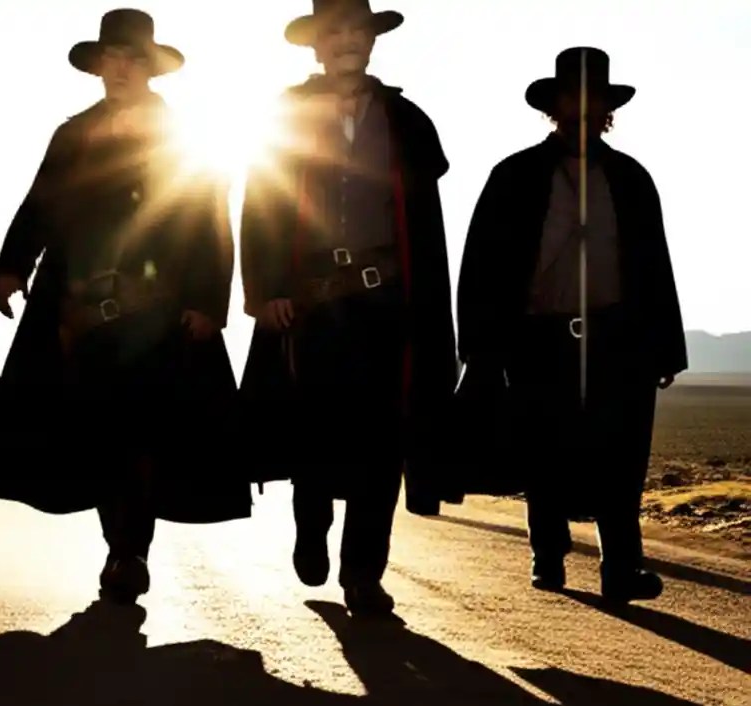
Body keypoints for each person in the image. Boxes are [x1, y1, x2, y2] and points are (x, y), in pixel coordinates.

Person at [0, 8, 251, 603]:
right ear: (99, 65)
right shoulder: (73, 134)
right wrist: (10, 268)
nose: (122, 68)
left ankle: (130, 552)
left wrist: (210, 301)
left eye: (134, 58)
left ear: (150, 68)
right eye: (113, 57)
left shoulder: (184, 135)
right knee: (100, 436)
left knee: (145, 437)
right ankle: (119, 547)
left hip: (160, 315)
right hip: (82, 314)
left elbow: (211, 218)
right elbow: (41, 204)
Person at [238, 0, 457, 617]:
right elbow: (261, 204)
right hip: (311, 305)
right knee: (313, 430)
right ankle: (311, 527)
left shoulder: (407, 120)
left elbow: (427, 226)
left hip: (387, 302)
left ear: (371, 40)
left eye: (358, 30)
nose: (347, 41)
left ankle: (363, 573)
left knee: (381, 442)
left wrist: (429, 311)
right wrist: (265, 290)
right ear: (315, 45)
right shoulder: (285, 113)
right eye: (334, 32)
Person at [456, 47, 686, 602]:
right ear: (554, 107)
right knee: (544, 449)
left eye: (595, 100)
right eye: (572, 99)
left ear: (608, 109)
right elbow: (482, 264)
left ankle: (621, 568)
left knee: (622, 455)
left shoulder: (632, 179)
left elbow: (655, 262)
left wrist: (665, 348)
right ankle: (547, 553)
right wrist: (481, 349)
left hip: (620, 339)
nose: (583, 109)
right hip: (539, 338)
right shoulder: (513, 177)